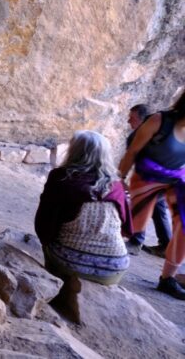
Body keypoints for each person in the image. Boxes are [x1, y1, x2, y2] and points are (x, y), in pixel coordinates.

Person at [35, 131, 132, 286]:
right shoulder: (117, 185)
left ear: (75, 151)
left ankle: (55, 284)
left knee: (49, 243)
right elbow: (126, 226)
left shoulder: (61, 177)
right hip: (114, 267)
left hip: (70, 264)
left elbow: (44, 224)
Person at [119, 88, 185, 300]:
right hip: (148, 175)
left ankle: (168, 279)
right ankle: (105, 252)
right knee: (133, 224)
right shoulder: (159, 121)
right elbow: (132, 152)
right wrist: (119, 180)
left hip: (177, 178)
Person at [125, 103, 172, 257]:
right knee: (158, 209)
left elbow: (133, 158)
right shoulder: (162, 133)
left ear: (141, 119)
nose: (128, 122)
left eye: (131, 118)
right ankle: (166, 245)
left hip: (158, 179)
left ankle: (136, 241)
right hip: (169, 179)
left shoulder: (139, 134)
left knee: (142, 203)